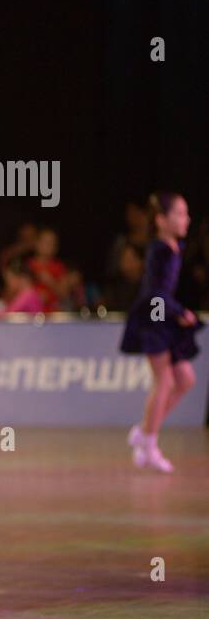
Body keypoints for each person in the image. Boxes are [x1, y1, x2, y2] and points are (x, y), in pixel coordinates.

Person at [119, 191, 202, 473]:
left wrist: (177, 313)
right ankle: (150, 445)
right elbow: (155, 293)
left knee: (186, 379)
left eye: (185, 213)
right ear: (161, 220)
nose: (186, 219)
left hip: (164, 314)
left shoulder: (173, 246)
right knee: (164, 381)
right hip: (154, 316)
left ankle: (144, 432)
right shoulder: (159, 249)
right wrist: (180, 313)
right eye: (179, 213)